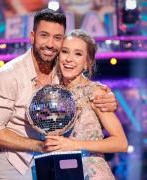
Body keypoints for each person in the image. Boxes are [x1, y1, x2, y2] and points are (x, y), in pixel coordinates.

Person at [0, 9, 118, 180]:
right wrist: (41, 146)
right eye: (44, 35)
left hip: (56, 168)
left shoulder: (63, 69)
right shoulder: (8, 75)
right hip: (15, 165)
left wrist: (109, 100)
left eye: (57, 38)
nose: (50, 44)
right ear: (33, 36)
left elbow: (86, 89)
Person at [44, 29, 128, 179]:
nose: (69, 59)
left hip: (92, 173)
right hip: (63, 173)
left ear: (87, 62)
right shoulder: (51, 94)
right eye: (65, 51)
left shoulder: (96, 92)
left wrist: (74, 144)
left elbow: (121, 142)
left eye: (78, 54)